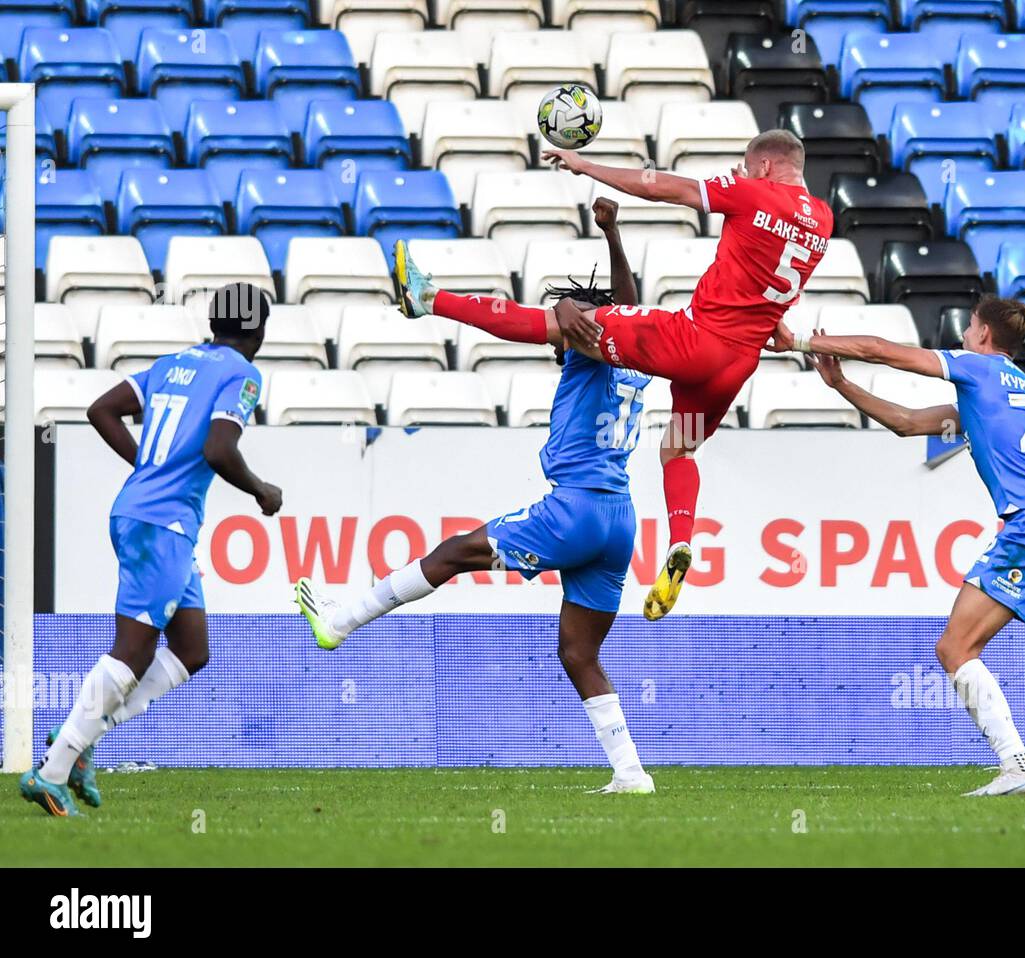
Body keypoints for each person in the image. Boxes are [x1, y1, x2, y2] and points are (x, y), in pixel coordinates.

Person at [395, 131, 833, 620]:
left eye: (749, 168)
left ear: (766, 167)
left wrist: (586, 166)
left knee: (557, 323)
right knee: (679, 447)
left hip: (691, 341)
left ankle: (428, 299)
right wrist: (775, 321)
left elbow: (661, 185)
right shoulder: (823, 218)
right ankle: (680, 542)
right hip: (736, 365)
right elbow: (765, 273)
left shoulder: (752, 191)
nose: (745, 174)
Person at [296, 201, 655, 794]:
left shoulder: (588, 355)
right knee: (578, 651)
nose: (559, 334)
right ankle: (630, 772)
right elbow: (629, 307)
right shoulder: (635, 357)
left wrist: (441, 302)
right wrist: (613, 234)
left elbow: (523, 320)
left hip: (579, 509)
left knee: (455, 553)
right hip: (620, 519)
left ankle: (342, 620)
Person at [774, 296, 1025, 796]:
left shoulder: (975, 367)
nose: (964, 335)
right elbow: (906, 422)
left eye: (969, 327)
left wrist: (800, 341)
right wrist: (841, 384)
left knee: (955, 647)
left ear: (985, 335)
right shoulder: (1017, 388)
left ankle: (1018, 767)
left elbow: (881, 348)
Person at [20, 283, 282, 816]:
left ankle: (81, 739)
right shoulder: (242, 372)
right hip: (161, 523)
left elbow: (102, 410)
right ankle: (50, 771)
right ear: (259, 332)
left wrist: (148, 467)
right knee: (134, 650)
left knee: (191, 649)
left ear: (214, 323)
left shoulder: (172, 364)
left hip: (151, 516)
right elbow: (218, 448)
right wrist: (261, 489)